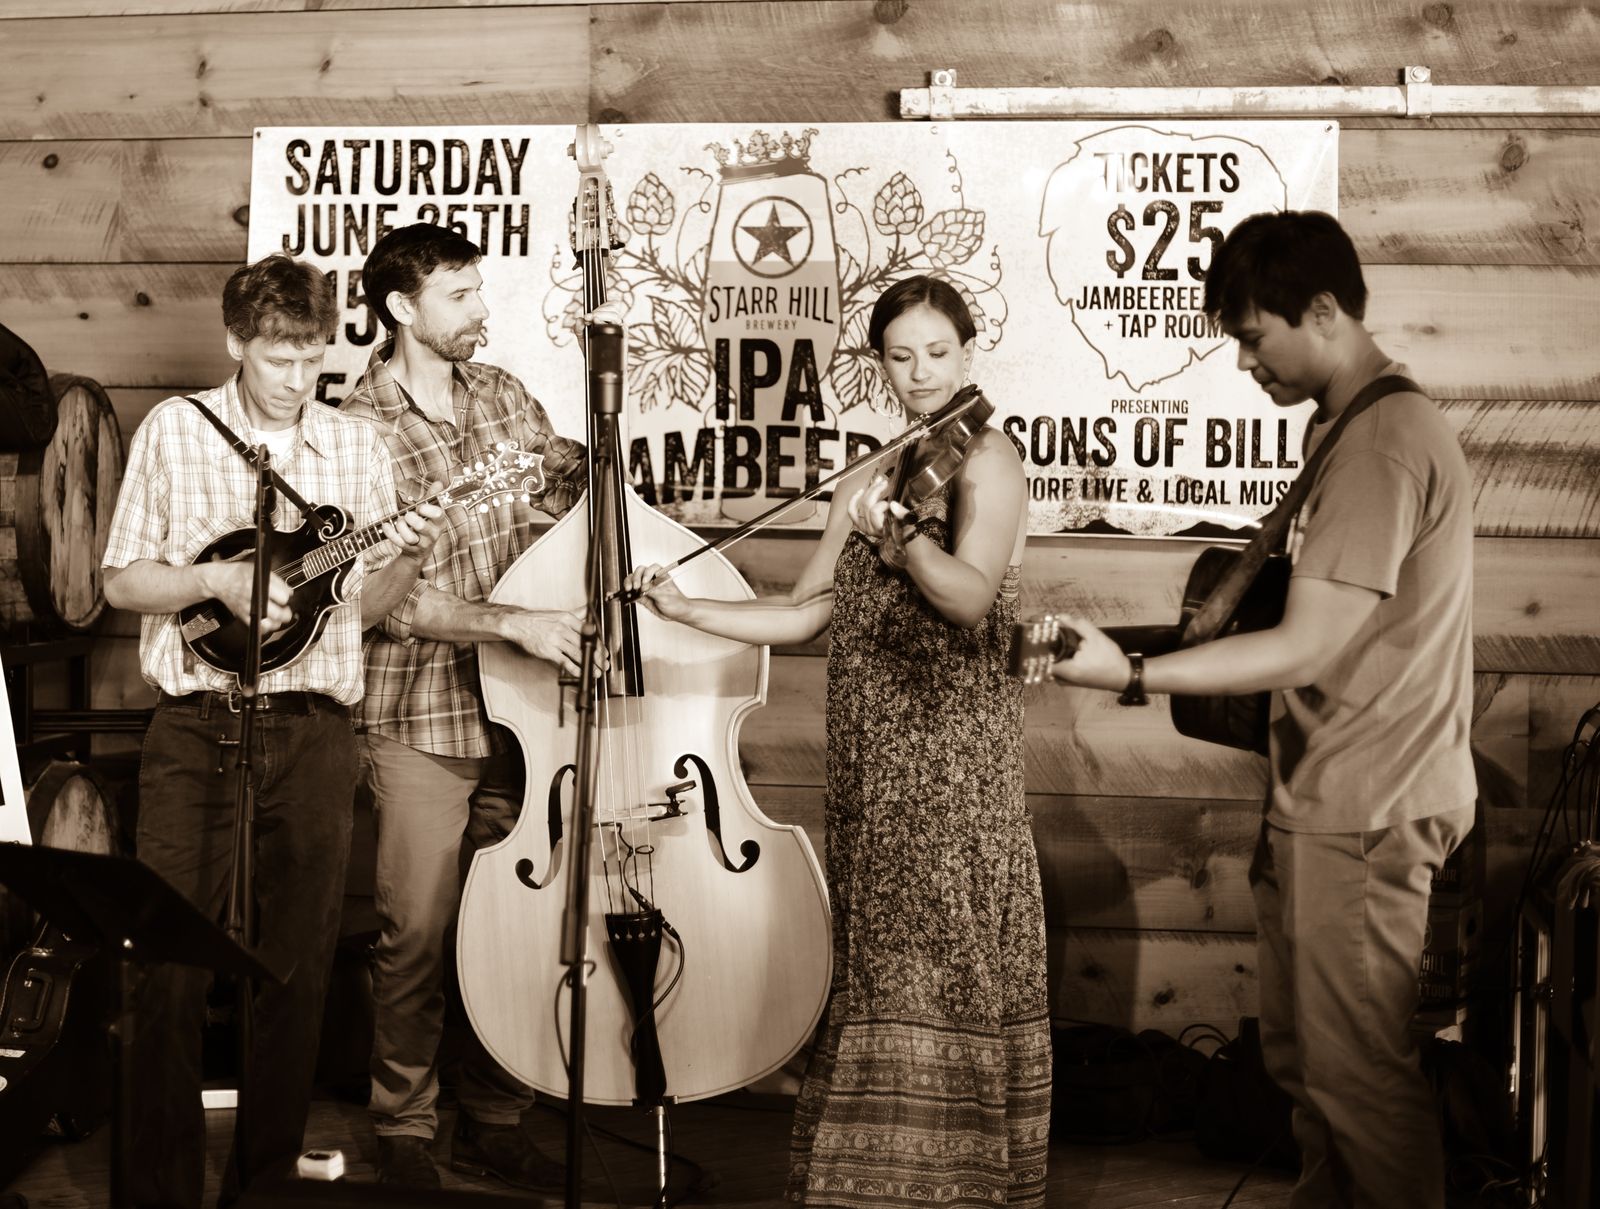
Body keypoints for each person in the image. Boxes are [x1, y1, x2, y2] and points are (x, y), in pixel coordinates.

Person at [1046, 210, 1475, 1209]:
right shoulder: (1346, 422)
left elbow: (1304, 642)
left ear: (1321, 309)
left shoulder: (1381, 441)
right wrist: (1132, 652)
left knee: (1357, 1080)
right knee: (1307, 1073)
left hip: (1366, 806)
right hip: (1325, 793)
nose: (1244, 362)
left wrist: (1134, 679)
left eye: (1252, 335)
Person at [623, 274, 1052, 1207]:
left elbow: (971, 597)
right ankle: (872, 1176)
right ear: (879, 363)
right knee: (877, 954)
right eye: (901, 356)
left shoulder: (990, 462)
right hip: (870, 753)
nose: (921, 374)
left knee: (943, 951)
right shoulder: (873, 470)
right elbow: (810, 608)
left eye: (939, 353)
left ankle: (953, 1178)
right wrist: (687, 605)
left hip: (950, 752)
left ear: (969, 353)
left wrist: (900, 541)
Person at [102, 252, 441, 1209]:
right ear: (236, 343)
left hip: (313, 733)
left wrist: (408, 559)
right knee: (163, 963)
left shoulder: (356, 450)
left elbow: (360, 611)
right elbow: (122, 581)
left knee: (294, 966)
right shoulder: (176, 432)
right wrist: (212, 580)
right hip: (194, 726)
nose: (297, 380)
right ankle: (158, 1191)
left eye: (312, 358)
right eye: (278, 359)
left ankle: (263, 1187)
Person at [339, 222, 593, 1190]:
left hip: (531, 715)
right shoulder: (356, 430)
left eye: (480, 292)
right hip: (420, 719)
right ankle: (404, 1126)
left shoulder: (505, 398)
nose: (481, 311)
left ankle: (497, 1110)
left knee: (521, 921)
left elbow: (573, 499)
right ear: (401, 309)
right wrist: (510, 625)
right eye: (459, 295)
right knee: (419, 931)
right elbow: (377, 600)